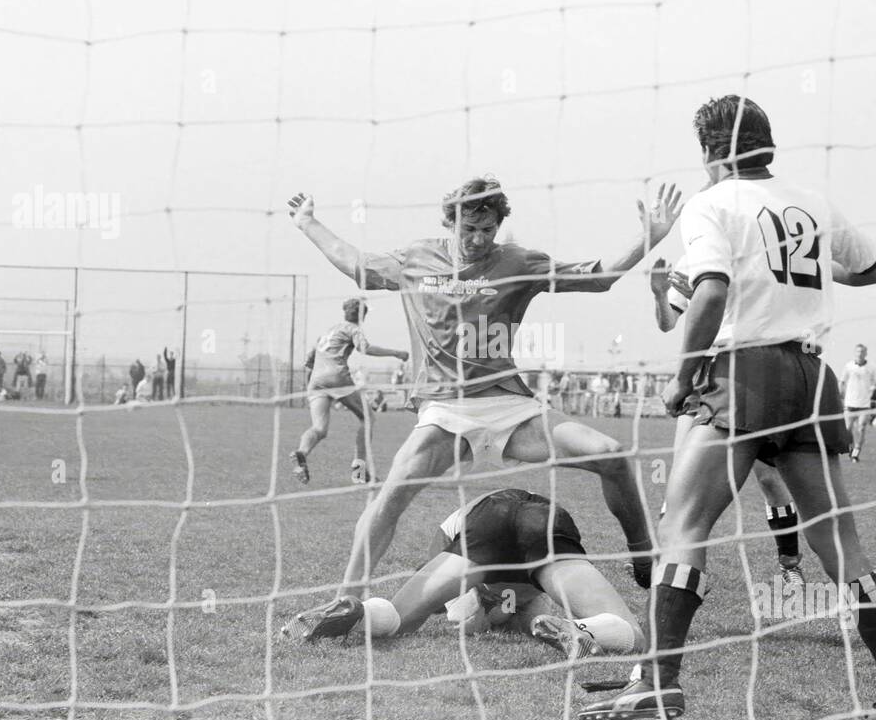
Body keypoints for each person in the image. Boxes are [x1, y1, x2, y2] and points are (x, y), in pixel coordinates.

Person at [582, 94, 876, 720]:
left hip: (744, 373)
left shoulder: (712, 203)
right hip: (811, 375)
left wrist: (681, 378)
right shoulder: (813, 203)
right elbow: (875, 269)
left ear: (714, 153)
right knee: (842, 544)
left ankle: (658, 685)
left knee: (683, 528)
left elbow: (711, 291)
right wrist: (804, 278)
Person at [288, 175, 683, 639]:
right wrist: (308, 223)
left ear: (498, 226)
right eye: (468, 230)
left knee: (612, 455)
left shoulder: (518, 262)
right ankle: (346, 600)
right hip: (444, 412)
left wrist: (648, 238)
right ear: (450, 222)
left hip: (509, 407)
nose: (477, 240)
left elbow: (599, 279)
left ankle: (642, 553)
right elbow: (351, 261)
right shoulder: (415, 259)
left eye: (487, 230)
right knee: (391, 495)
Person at [287, 488, 646, 660]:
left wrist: (477, 607)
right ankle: (581, 628)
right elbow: (499, 614)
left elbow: (460, 616)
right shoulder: (527, 597)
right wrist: (488, 609)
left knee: (399, 618)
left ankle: (360, 611)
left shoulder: (451, 531)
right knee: (630, 631)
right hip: (545, 520)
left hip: (486, 519)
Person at [650, 254, 808, 592]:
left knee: (768, 477)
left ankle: (790, 564)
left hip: (746, 373)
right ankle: (674, 567)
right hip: (701, 373)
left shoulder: (757, 250)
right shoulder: (693, 258)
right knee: (681, 475)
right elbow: (667, 324)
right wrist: (659, 295)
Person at [292, 297, 409, 486]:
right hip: (337, 377)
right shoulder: (353, 329)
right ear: (362, 316)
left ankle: (302, 453)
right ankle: (359, 471)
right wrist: (397, 353)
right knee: (368, 418)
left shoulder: (329, 331)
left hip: (316, 381)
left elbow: (308, 361)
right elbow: (366, 348)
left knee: (319, 429)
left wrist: (314, 381)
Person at [840, 344, 876, 461]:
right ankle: (850, 449)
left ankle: (856, 453)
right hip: (850, 402)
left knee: (861, 428)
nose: (860, 354)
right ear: (854, 353)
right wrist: (840, 395)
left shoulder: (871, 367)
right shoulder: (848, 366)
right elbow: (842, 382)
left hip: (864, 404)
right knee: (847, 429)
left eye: (862, 351)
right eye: (858, 351)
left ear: (866, 353)